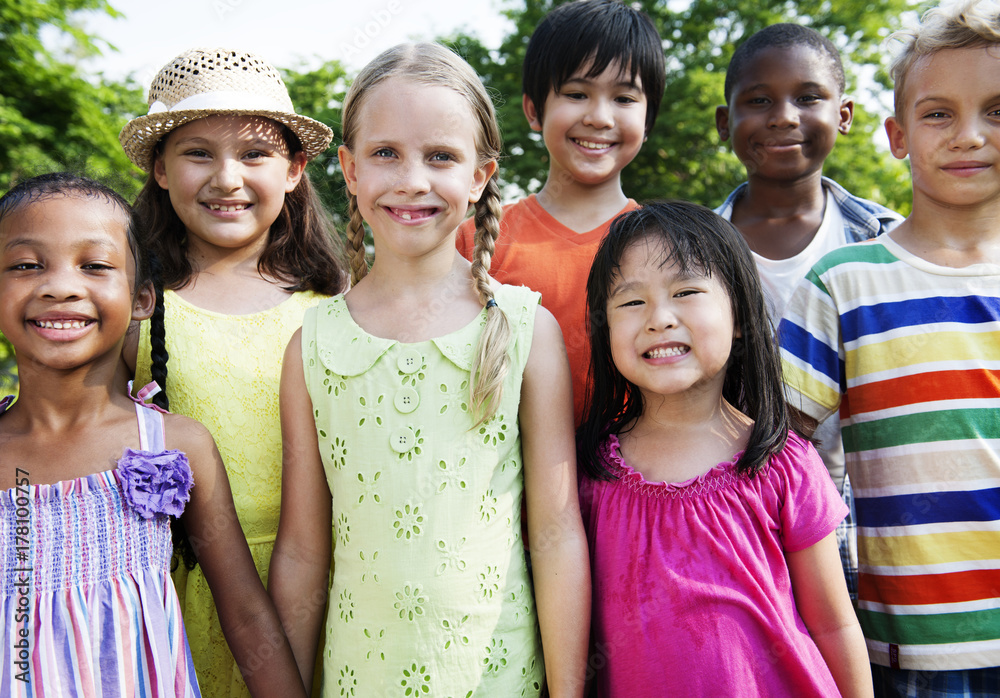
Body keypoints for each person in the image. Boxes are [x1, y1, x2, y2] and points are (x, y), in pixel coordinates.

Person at [269, 43, 590, 697]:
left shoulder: (527, 330)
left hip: (500, 679)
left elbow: (555, 533)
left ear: (480, 175)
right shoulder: (313, 344)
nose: (413, 179)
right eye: (386, 153)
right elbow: (303, 552)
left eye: (440, 156)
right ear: (350, 170)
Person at [0, 173, 305, 697]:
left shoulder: (175, 445)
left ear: (143, 298)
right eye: (27, 265)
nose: (60, 286)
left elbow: (248, 617)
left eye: (95, 266)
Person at [779, 2, 1000, 695]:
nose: (969, 136)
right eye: (939, 114)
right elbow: (778, 459)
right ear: (897, 136)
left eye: (996, 110)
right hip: (905, 651)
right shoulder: (842, 285)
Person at [118, 48, 347, 697]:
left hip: (318, 587)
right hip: (177, 588)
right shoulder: (137, 307)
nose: (227, 178)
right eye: (198, 154)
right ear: (160, 168)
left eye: (253, 154)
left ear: (296, 168)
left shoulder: (335, 309)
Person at [577, 201, 871, 696]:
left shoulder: (784, 463)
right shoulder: (590, 473)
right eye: (631, 302)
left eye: (686, 291)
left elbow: (834, 625)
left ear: (738, 317)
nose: (659, 319)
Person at [714, 23, 904, 600]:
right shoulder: (691, 252)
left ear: (844, 114)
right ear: (726, 123)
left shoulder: (886, 243)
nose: (783, 116)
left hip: (863, 529)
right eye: (759, 100)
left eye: (808, 97)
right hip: (734, 520)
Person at [456, 0, 665, 425]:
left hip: (632, 485)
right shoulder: (474, 241)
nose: (599, 117)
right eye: (576, 93)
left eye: (624, 97)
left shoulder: (670, 247)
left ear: (648, 120)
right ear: (534, 109)